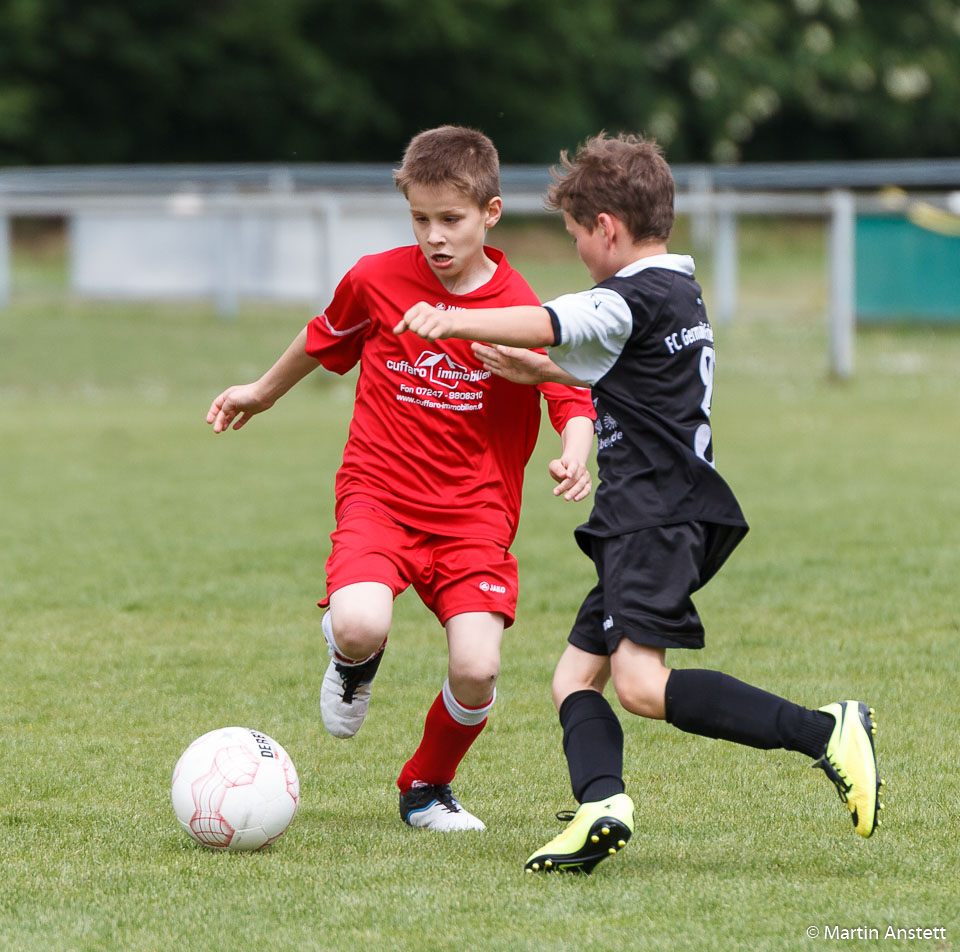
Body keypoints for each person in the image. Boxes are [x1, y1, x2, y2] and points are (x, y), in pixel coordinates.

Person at [394, 132, 883, 870]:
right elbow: (603, 361)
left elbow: (558, 322)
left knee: (640, 685)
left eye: (578, 239)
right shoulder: (676, 287)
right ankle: (600, 806)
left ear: (607, 230)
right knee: (572, 678)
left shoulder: (627, 298)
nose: (580, 256)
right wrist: (536, 372)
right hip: (668, 509)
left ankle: (825, 731)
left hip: (650, 517)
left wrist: (452, 318)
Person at [206, 126, 596, 833]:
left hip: (476, 517)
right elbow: (323, 335)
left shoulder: (520, 309)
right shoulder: (377, 278)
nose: (435, 237)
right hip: (379, 496)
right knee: (358, 623)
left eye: (451, 219)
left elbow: (570, 393)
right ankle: (353, 661)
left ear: (491, 213)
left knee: (477, 670)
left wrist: (577, 450)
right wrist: (262, 391)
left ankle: (425, 788)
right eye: (420, 219)